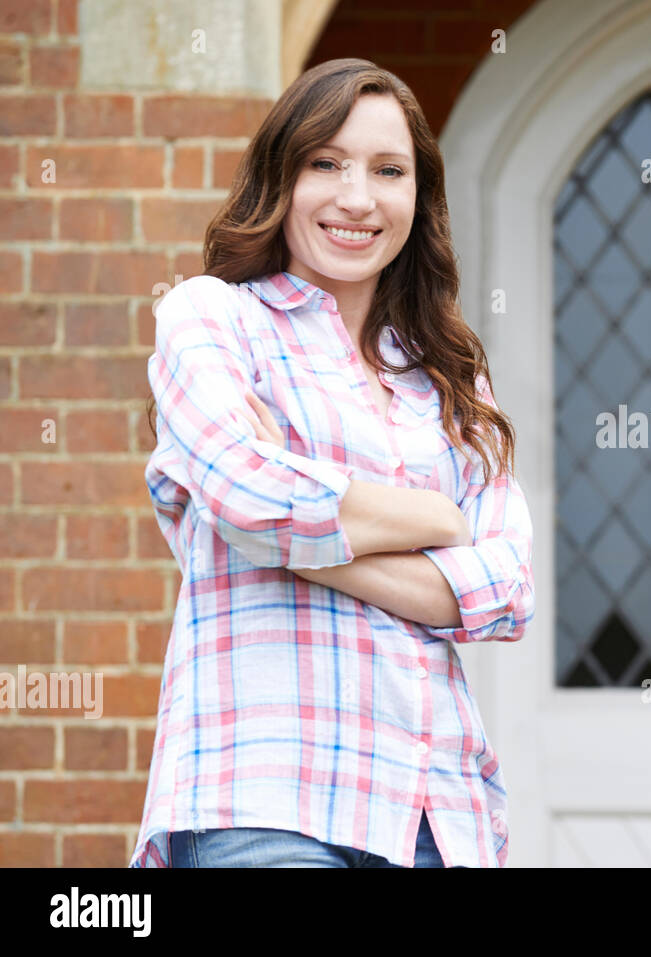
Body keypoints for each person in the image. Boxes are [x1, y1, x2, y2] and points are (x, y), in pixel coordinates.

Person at [129, 58, 535, 868]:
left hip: (435, 814)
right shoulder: (212, 318)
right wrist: (432, 520)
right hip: (267, 795)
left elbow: (506, 585)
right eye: (327, 163)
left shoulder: (449, 374)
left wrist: (296, 527)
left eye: (388, 171)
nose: (358, 197)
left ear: (418, 200)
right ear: (282, 176)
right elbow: (250, 496)